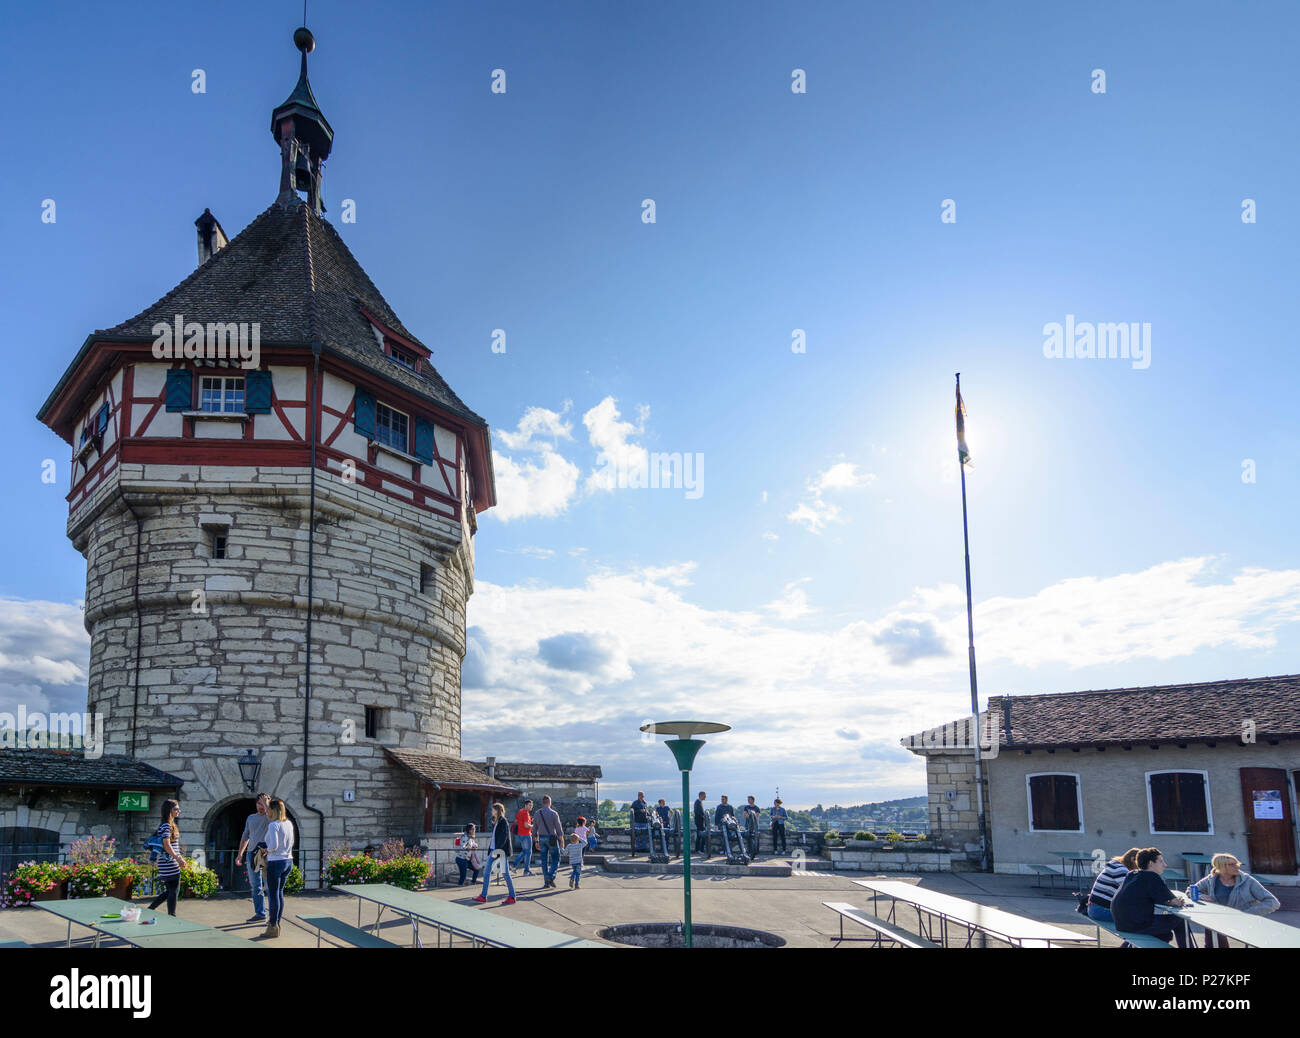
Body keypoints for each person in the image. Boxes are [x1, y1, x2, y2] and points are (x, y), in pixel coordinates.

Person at [1186, 854, 1280, 947]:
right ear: (1220, 867)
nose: (1237, 867)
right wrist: (1200, 896)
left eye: (1237, 864)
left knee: (1215, 928)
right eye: (1232, 864)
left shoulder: (1248, 880)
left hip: (1243, 922)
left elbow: (1273, 902)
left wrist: (1246, 914)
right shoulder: (1211, 879)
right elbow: (1190, 890)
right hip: (1220, 920)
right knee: (1211, 927)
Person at [1110, 847, 1191, 948]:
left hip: (1121, 924)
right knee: (1179, 919)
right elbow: (1175, 902)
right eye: (1161, 861)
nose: (1165, 865)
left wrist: (1169, 902)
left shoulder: (1132, 874)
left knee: (1165, 935)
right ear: (1150, 863)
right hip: (1136, 926)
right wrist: (1177, 902)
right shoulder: (1152, 877)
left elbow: (1159, 898)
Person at [234, 792, 271, 923]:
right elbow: (245, 836)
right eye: (259, 803)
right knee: (256, 885)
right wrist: (240, 855)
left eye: (263, 803)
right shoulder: (251, 818)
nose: (260, 806)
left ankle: (273, 915)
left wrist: (267, 805)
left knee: (269, 885)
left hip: (266, 853)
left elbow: (274, 819)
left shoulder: (270, 816)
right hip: (252, 854)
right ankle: (260, 914)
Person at [262, 798, 295, 939]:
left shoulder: (273, 825)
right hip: (288, 860)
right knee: (279, 894)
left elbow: (274, 845)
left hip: (276, 861)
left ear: (273, 810)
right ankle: (276, 924)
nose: (266, 811)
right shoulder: (288, 823)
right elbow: (291, 842)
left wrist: (266, 850)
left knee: (273, 895)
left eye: (268, 809)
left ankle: (272, 926)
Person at [147, 799, 185, 917]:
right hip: (170, 863)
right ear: (170, 810)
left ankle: (151, 910)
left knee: (170, 891)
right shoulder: (167, 826)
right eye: (176, 809)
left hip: (165, 863)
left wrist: (178, 857)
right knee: (173, 891)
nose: (179, 811)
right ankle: (171, 916)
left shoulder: (166, 825)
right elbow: (166, 844)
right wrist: (178, 858)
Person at [474, 802, 517, 904]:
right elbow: (495, 838)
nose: (492, 811)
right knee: (504, 873)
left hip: (499, 851)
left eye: (493, 809)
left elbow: (503, 838)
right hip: (496, 850)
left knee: (487, 872)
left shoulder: (503, 821)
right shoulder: (497, 822)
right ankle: (512, 896)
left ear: (497, 810)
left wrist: (496, 851)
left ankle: (484, 896)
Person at [1086, 847, 1140, 923]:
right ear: (1132, 859)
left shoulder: (1116, 865)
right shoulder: (1121, 870)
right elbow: (1132, 891)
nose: (1140, 867)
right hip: (1100, 910)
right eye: (1139, 863)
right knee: (1139, 919)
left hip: (1095, 908)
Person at [533, 795, 564, 888]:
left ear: (542, 803)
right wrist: (561, 840)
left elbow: (534, 830)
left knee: (544, 861)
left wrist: (536, 841)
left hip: (541, 838)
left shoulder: (537, 813)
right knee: (556, 858)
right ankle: (550, 876)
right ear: (550, 803)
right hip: (552, 838)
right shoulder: (554, 813)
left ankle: (546, 883)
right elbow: (558, 828)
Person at [512, 799, 535, 876]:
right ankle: (525, 871)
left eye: (531, 805)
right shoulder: (525, 813)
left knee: (525, 851)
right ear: (525, 805)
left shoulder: (520, 811)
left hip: (520, 834)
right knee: (528, 852)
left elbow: (516, 821)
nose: (531, 807)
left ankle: (516, 866)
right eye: (529, 805)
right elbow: (526, 825)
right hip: (526, 834)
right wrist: (532, 825)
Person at [694, 792, 710, 857]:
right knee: (700, 836)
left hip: (700, 822)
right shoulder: (697, 802)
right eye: (704, 796)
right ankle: (699, 850)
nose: (705, 797)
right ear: (701, 795)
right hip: (699, 822)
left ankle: (699, 849)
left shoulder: (699, 802)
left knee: (699, 836)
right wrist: (704, 817)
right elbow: (698, 813)